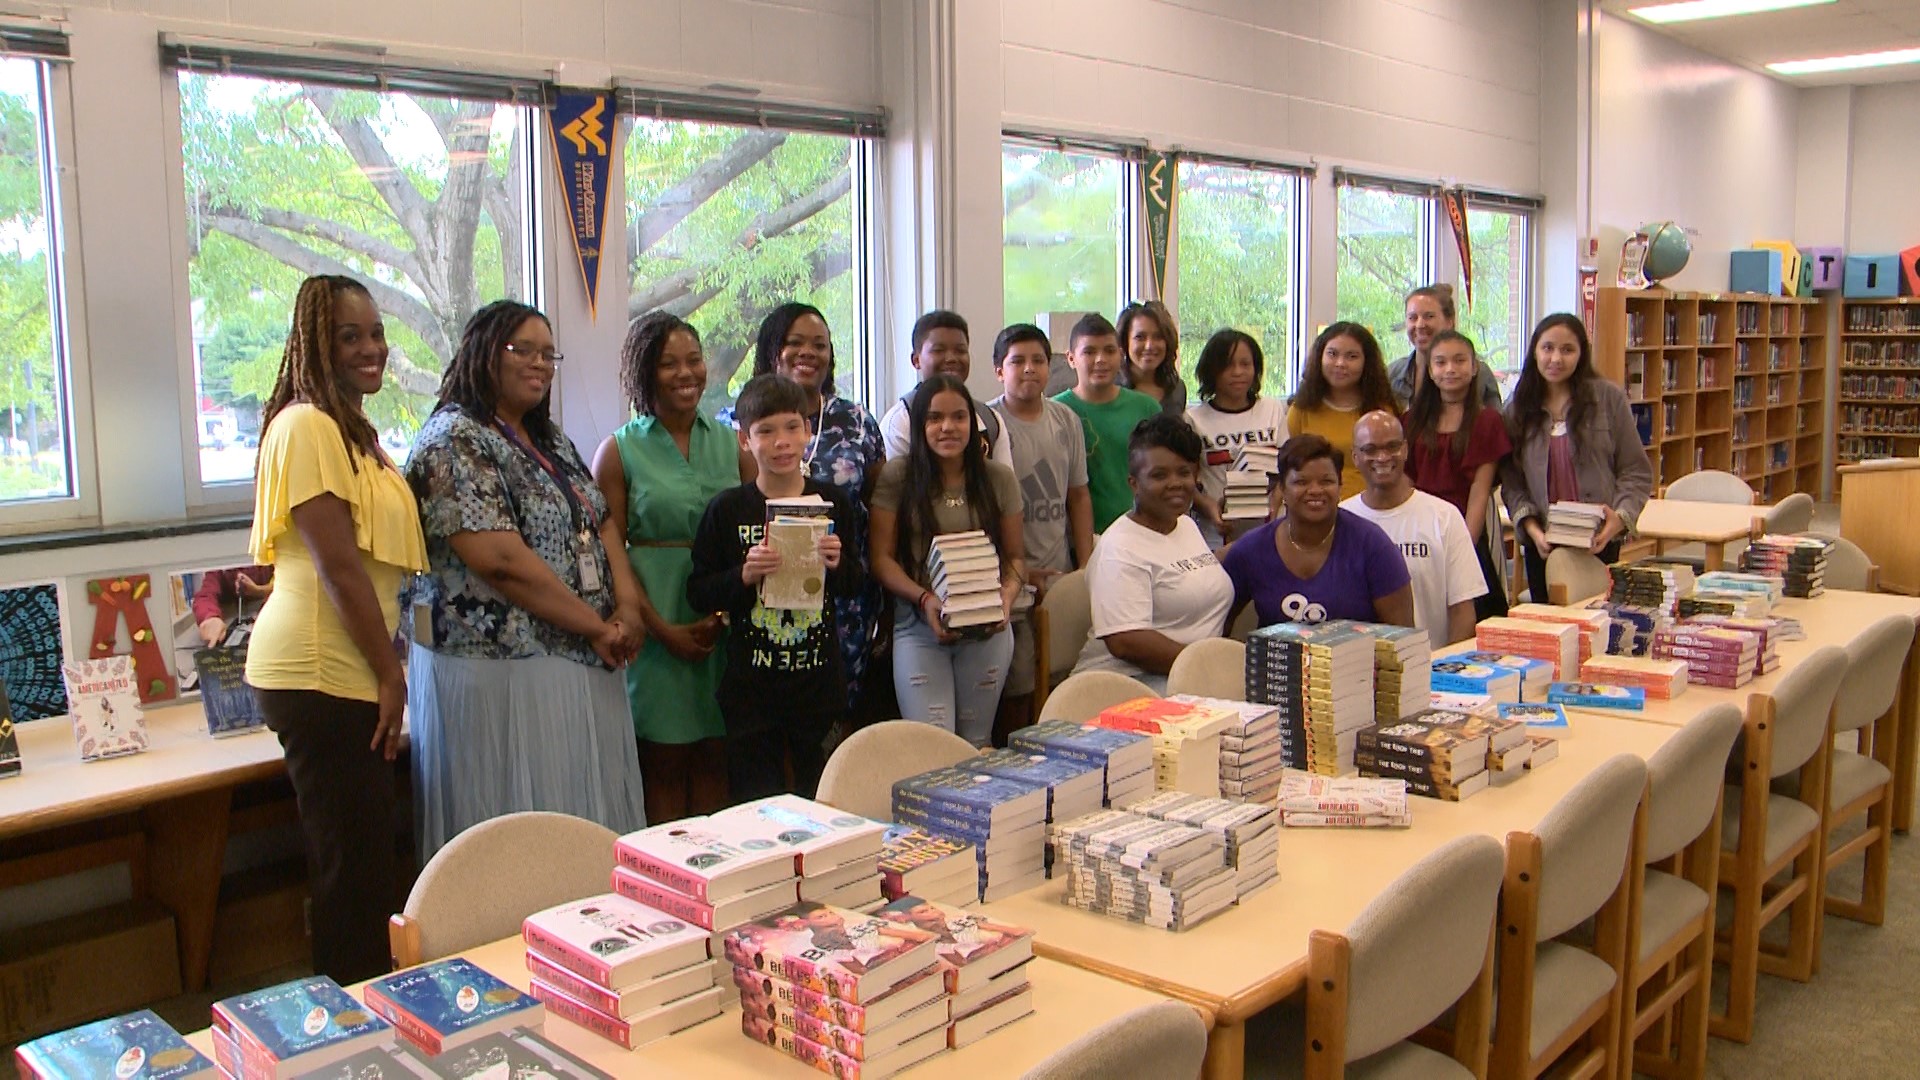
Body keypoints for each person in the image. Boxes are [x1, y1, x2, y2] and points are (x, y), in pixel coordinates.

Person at [404, 300, 648, 861]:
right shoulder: (453, 439)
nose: (540, 364)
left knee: (580, 832)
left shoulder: (548, 438)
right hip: (500, 670)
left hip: (583, 657)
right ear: (485, 352)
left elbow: (601, 519)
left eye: (548, 353)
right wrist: (596, 626)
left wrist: (629, 609)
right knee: (523, 844)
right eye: (524, 350)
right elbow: (499, 560)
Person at [244, 274, 428, 984]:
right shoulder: (307, 425)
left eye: (376, 333)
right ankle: (348, 1029)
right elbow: (339, 569)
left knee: (364, 859)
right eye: (349, 336)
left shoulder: (351, 431)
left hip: (347, 665)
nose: (370, 348)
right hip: (322, 670)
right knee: (352, 871)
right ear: (314, 343)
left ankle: (363, 1011)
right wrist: (389, 673)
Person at [593, 312, 751, 823]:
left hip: (723, 624)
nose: (687, 373)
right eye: (669, 364)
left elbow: (756, 532)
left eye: (694, 360)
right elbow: (608, 552)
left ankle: (713, 888)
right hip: (653, 627)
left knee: (716, 757)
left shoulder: (733, 444)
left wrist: (722, 618)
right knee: (661, 763)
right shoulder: (618, 450)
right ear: (644, 372)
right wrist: (662, 631)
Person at [687, 375, 862, 801]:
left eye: (791, 427)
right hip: (751, 689)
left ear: (808, 431)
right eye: (766, 431)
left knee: (822, 799)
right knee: (754, 801)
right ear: (745, 440)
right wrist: (743, 576)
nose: (781, 442)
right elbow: (698, 591)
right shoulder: (728, 509)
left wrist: (837, 564)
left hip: (818, 685)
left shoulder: (833, 502)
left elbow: (855, 585)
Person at [728, 303, 886, 712]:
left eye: (820, 344)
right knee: (765, 722)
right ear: (772, 350)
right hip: (765, 600)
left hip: (842, 594)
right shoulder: (735, 421)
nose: (808, 352)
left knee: (833, 716)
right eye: (794, 342)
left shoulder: (857, 420)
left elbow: (876, 504)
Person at [870, 376, 1024, 747]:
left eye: (959, 417)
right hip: (918, 627)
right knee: (933, 747)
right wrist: (925, 599)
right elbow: (881, 559)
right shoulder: (899, 476)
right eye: (935, 418)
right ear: (920, 424)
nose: (948, 427)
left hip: (987, 629)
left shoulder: (998, 478)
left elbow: (1017, 558)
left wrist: (1006, 598)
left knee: (976, 742)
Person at [1073, 415, 1234, 693]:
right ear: (1134, 483)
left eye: (1184, 473)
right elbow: (1125, 642)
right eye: (1159, 475)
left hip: (1190, 678)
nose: (1175, 483)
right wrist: (1205, 666)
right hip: (1129, 684)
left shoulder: (1184, 524)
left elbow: (1188, 574)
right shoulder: (1120, 548)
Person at [987, 323, 1094, 741]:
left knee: (1061, 675)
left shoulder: (1066, 420)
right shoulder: (989, 423)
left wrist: (1083, 567)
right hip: (1011, 579)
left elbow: (1079, 497)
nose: (1029, 369)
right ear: (999, 370)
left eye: (1037, 360)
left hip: (1060, 573)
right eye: (1017, 361)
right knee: (1016, 685)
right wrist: (1019, 571)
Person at [1501, 313, 1654, 603]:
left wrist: (1619, 520)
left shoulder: (1608, 399)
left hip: (1599, 539)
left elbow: (1635, 471)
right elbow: (1512, 482)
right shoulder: (1517, 409)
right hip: (1542, 542)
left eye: (1567, 350)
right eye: (1547, 348)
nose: (1556, 358)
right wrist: (1532, 530)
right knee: (1549, 630)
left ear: (1581, 354)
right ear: (1534, 351)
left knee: (1597, 623)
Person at [1221, 434, 1415, 630]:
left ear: (1340, 487)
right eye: (1301, 482)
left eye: (1326, 481)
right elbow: (1218, 627)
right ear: (1282, 489)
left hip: (1361, 660)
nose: (1315, 490)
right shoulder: (1251, 549)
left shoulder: (1373, 545)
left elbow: (1403, 637)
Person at [1341, 411, 1485, 649]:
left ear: (1406, 450)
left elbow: (1463, 613)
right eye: (1370, 449)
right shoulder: (1341, 520)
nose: (1383, 457)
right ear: (1355, 457)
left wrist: (1441, 672)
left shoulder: (1445, 517)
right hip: (1355, 672)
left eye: (1392, 446)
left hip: (1429, 670)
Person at [1404, 329, 1513, 619]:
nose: (1450, 369)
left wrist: (1460, 548)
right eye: (1440, 362)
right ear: (1429, 370)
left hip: (1468, 531)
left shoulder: (1488, 421)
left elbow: (1480, 492)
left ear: (1475, 366)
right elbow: (1406, 484)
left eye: (1459, 360)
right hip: (1419, 534)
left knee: (1473, 617)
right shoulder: (1411, 420)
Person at [1055, 314, 1161, 533]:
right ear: (1071, 358)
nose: (1100, 359)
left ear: (1121, 355)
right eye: (1089, 352)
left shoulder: (1147, 408)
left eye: (1109, 351)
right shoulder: (1056, 413)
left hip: (1141, 531)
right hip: (1078, 539)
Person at [1185, 329, 1286, 548]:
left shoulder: (1273, 409)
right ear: (1212, 370)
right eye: (1228, 365)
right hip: (1216, 534)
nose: (1238, 372)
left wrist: (1274, 504)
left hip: (1270, 529)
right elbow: (1186, 481)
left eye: (1245, 364)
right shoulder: (1193, 419)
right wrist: (1210, 508)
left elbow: (1289, 468)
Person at [1286, 322, 1398, 503]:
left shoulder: (1382, 413)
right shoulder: (1301, 410)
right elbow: (1290, 469)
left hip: (1371, 508)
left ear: (1366, 363)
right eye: (1332, 354)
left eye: (1352, 356)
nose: (1340, 363)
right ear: (1320, 357)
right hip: (1315, 508)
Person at [879, 310, 1011, 463]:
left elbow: (1003, 482)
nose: (951, 358)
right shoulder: (900, 422)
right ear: (916, 360)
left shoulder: (990, 419)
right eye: (939, 350)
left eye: (960, 350)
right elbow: (897, 483)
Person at [1387, 284, 1503, 409]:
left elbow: (1494, 424)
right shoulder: (1393, 373)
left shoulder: (1478, 373)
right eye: (1412, 318)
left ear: (1449, 322)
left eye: (1429, 316)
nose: (1420, 325)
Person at [1116, 300, 1187, 418]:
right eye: (1140, 337)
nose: (1149, 346)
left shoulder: (1176, 389)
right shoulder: (1111, 388)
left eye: (1158, 337)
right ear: (1125, 342)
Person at [192, 565, 274, 645]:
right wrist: (210, 617)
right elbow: (206, 594)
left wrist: (259, 591)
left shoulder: (269, 560)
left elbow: (283, 586)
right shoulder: (220, 568)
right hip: (231, 619)